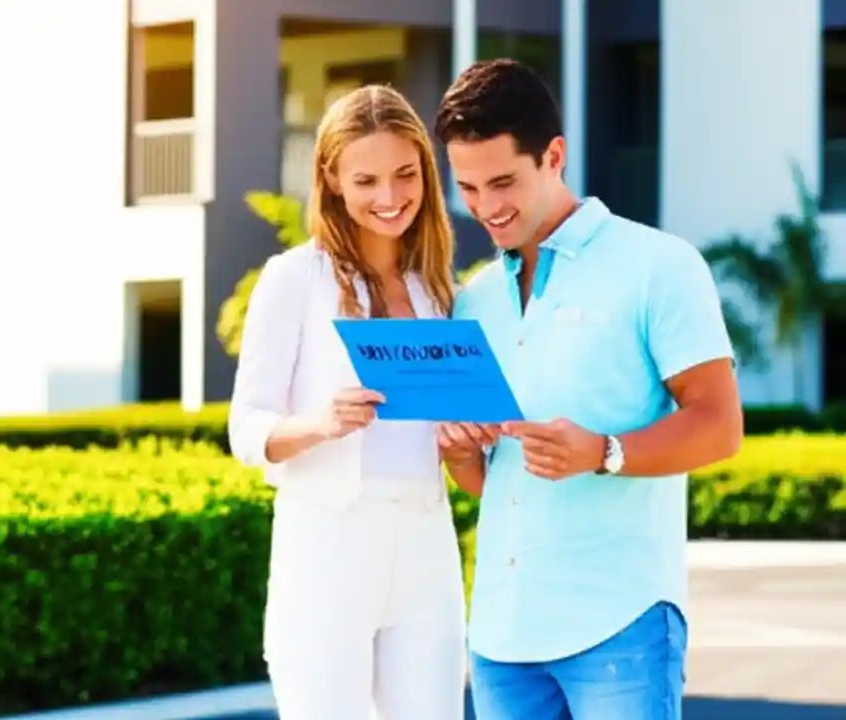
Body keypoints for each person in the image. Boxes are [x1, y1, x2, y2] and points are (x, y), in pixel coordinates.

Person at [433, 58, 744, 719]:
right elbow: (496, 483)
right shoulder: (473, 301)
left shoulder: (658, 266)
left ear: (554, 155)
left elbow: (720, 425)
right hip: (501, 637)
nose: (487, 207)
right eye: (468, 187)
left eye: (503, 182)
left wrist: (604, 451)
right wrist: (460, 451)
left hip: (620, 624)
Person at [227, 84, 470, 719]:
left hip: (424, 546)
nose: (389, 198)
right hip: (327, 545)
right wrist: (320, 423)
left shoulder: (435, 292)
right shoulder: (294, 278)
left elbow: (455, 444)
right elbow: (246, 428)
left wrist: (467, 434)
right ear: (331, 178)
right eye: (366, 180)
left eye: (405, 175)